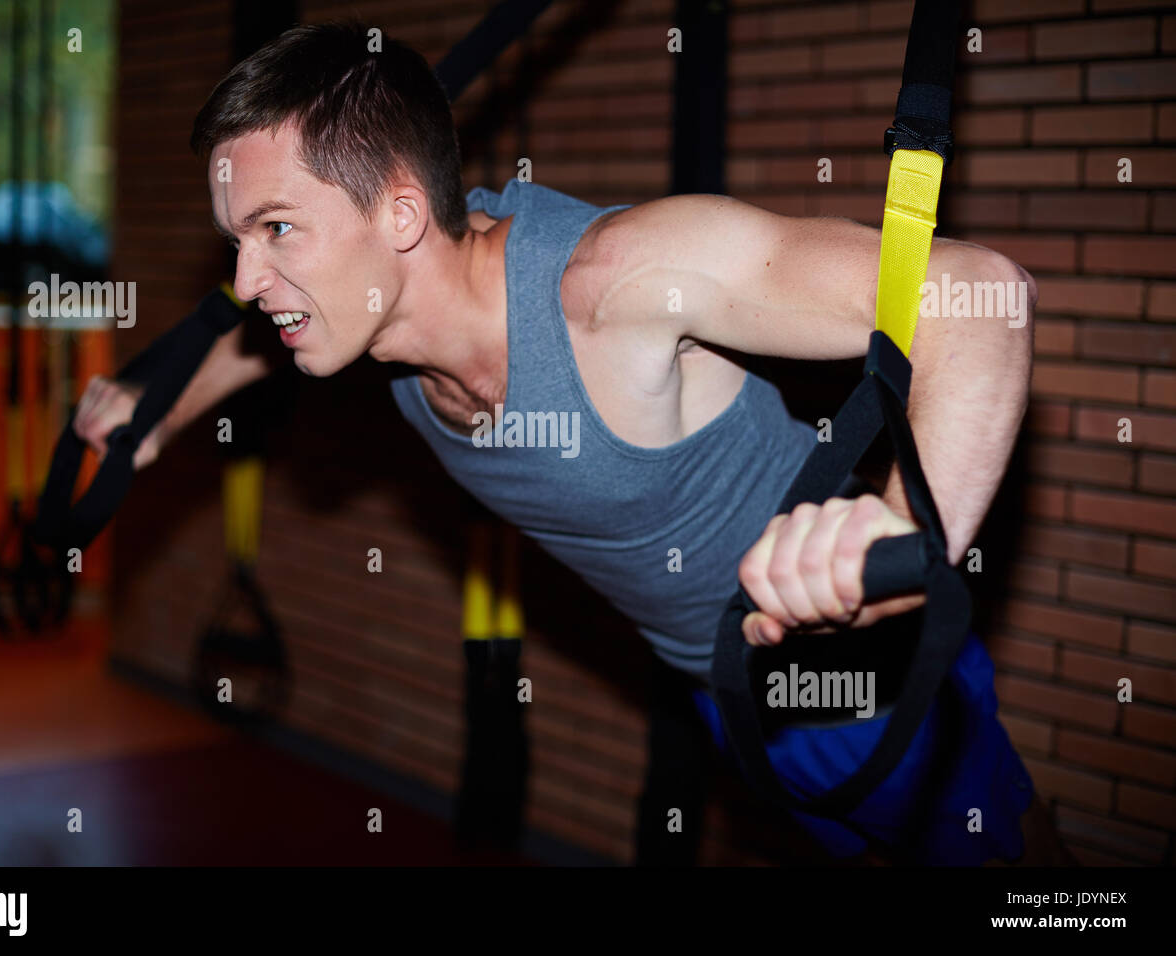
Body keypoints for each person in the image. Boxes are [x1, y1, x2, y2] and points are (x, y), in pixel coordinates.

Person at [75, 21, 1069, 865]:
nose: (246, 281)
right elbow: (253, 343)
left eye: (276, 228)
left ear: (402, 214)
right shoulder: (372, 323)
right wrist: (156, 407)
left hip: (868, 678)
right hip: (726, 691)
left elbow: (977, 296)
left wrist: (894, 534)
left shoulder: (616, 285)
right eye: (236, 240)